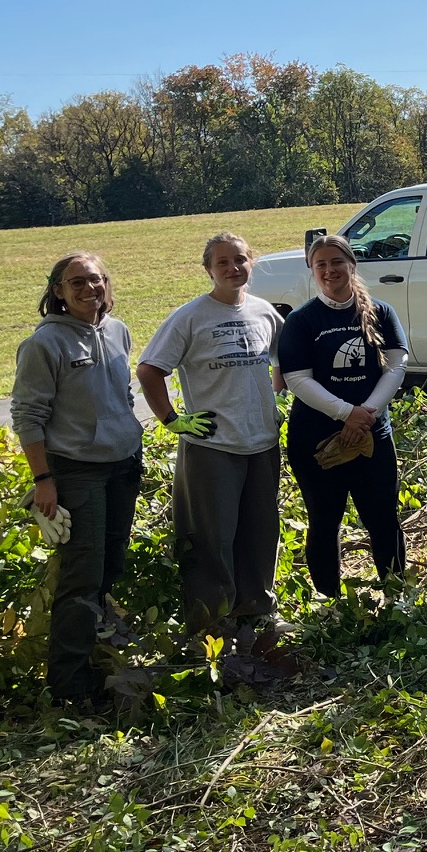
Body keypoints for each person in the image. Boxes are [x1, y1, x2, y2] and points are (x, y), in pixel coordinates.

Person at [138, 232, 288, 655]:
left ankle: (257, 611)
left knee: (260, 530)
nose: (232, 268)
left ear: (251, 264)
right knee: (210, 537)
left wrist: (273, 398)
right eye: (222, 262)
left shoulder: (264, 313)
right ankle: (210, 624)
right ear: (208, 270)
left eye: (239, 260)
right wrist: (172, 420)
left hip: (261, 442)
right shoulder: (190, 317)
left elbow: (285, 360)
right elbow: (150, 370)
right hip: (213, 445)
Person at [12, 252, 145, 710]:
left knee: (109, 567)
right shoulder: (44, 345)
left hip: (123, 464)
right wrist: (43, 479)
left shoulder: (118, 330)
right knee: (82, 577)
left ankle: (101, 662)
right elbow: (28, 417)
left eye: (96, 280)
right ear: (58, 292)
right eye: (77, 283)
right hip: (75, 471)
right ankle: (69, 688)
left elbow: (123, 393)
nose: (89, 289)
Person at [278, 235, 409, 599]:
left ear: (352, 265)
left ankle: (397, 595)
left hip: (372, 438)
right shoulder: (302, 320)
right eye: (320, 264)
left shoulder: (381, 312)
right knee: (324, 521)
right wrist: (346, 414)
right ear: (312, 270)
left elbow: (397, 366)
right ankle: (328, 603)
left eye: (337, 262)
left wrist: (366, 415)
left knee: (383, 518)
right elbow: (296, 379)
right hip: (316, 439)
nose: (329, 270)